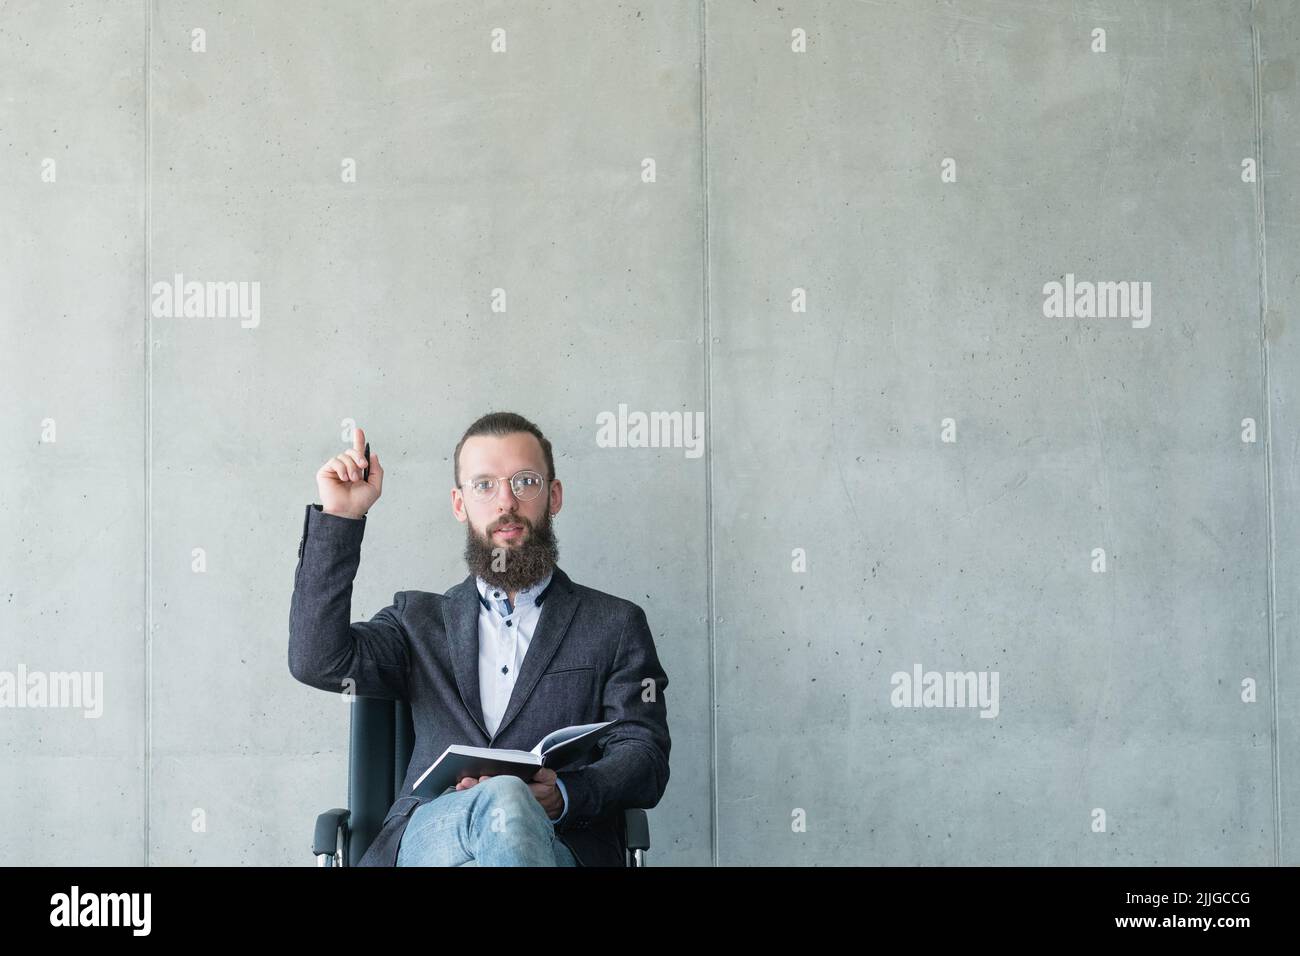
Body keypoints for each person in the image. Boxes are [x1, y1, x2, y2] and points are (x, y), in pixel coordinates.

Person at [288, 411, 671, 866]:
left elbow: (643, 757)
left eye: (525, 482)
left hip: (559, 841)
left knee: (507, 806)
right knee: (505, 797)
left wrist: (566, 793)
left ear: (554, 496)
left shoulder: (614, 624)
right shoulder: (419, 621)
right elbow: (317, 659)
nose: (505, 502)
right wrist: (341, 517)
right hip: (434, 836)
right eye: (484, 485)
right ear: (459, 503)